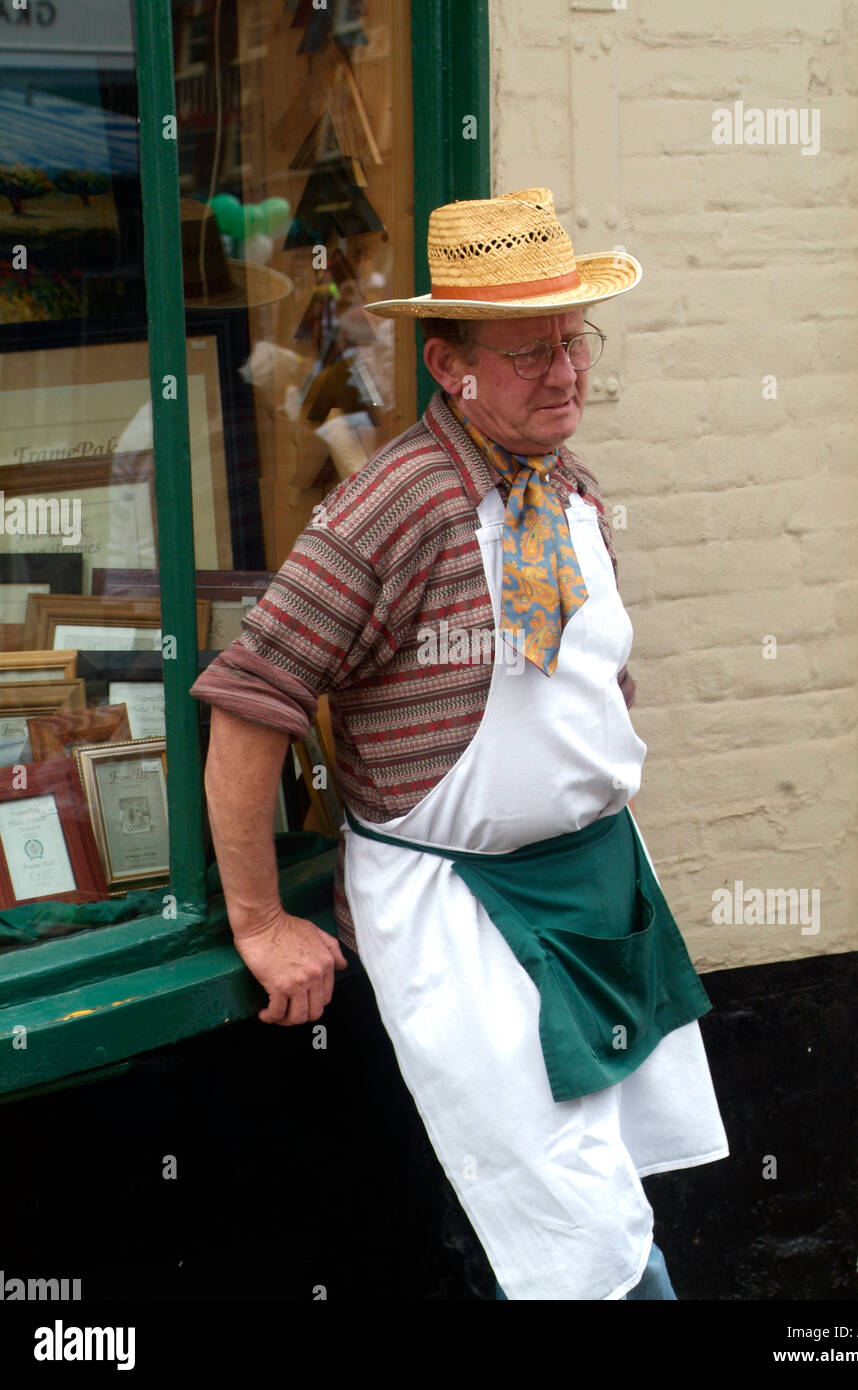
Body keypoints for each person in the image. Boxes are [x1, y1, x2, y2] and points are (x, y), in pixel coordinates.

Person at [191, 188, 729, 1301]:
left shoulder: (572, 492)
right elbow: (250, 702)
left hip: (595, 891)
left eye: (573, 342)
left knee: (601, 1194)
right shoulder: (394, 506)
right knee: (582, 1243)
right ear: (449, 367)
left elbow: (594, 687)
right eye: (529, 352)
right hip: (461, 912)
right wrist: (258, 917)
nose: (565, 372)